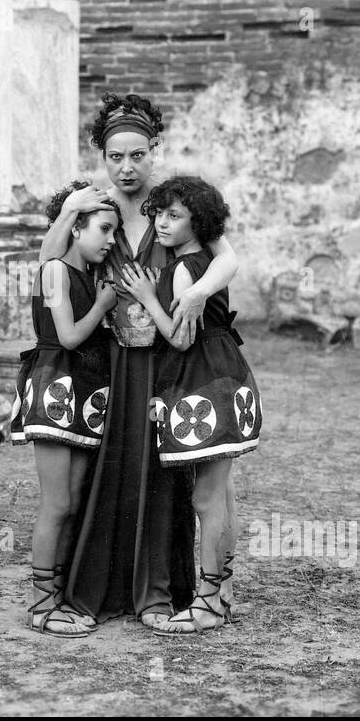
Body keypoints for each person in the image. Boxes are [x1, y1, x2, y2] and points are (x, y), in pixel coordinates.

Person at [41, 92, 240, 627]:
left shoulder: (176, 206)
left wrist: (197, 294)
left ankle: (160, 592)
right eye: (114, 157)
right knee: (114, 472)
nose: (126, 167)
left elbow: (228, 258)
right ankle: (100, 591)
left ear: (154, 149)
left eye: (136, 154)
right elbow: (47, 264)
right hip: (113, 365)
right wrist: (66, 211)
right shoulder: (93, 208)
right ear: (101, 157)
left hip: (172, 363)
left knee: (166, 476)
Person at [118, 176, 261, 633]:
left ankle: (207, 603)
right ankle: (221, 592)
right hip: (227, 376)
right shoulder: (208, 260)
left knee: (206, 497)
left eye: (174, 216)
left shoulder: (182, 269)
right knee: (222, 495)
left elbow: (178, 338)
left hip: (202, 382)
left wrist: (145, 298)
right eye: (159, 212)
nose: (161, 222)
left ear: (197, 223)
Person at [10, 181, 119, 637]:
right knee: (56, 502)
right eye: (104, 230)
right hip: (57, 387)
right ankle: (40, 604)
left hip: (85, 393)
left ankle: (63, 596)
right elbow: (70, 336)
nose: (111, 240)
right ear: (76, 228)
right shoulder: (54, 271)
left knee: (73, 501)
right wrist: (103, 305)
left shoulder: (85, 272)